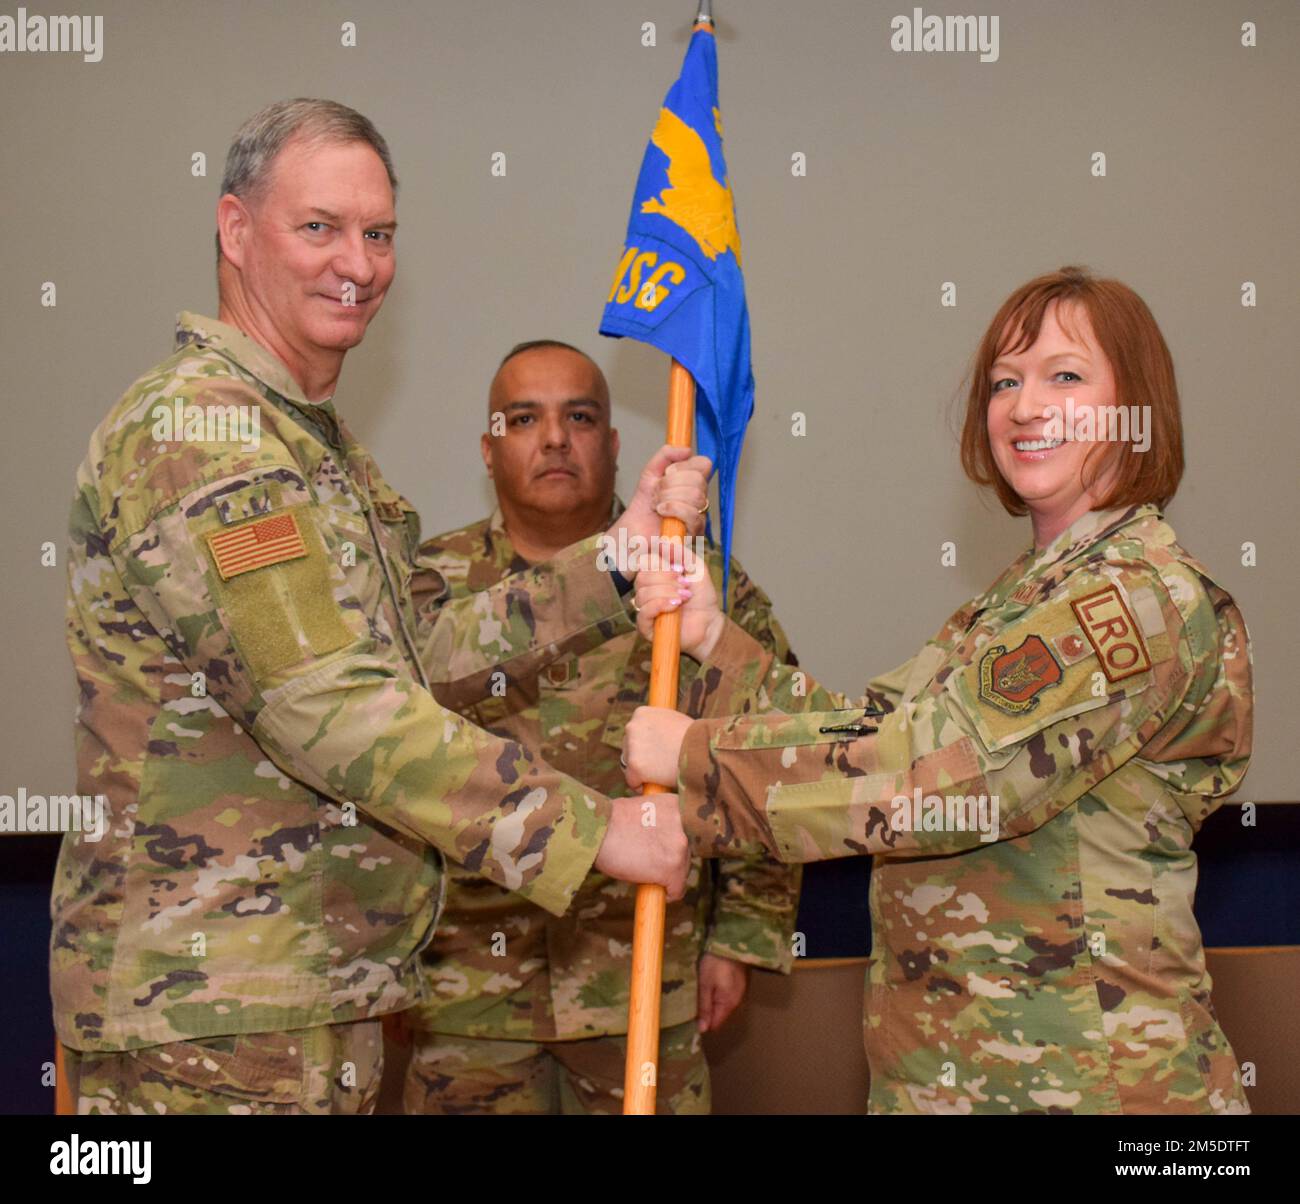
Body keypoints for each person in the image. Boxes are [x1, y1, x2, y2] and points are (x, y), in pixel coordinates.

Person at [54, 98, 702, 1115]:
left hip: (306, 1002)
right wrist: (584, 830)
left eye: (379, 233)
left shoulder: (315, 444)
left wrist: (610, 562)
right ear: (235, 231)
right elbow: (325, 701)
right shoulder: (204, 434)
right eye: (318, 227)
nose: (357, 262)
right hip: (213, 1020)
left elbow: (410, 652)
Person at [625, 266, 1254, 1115]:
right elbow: (877, 729)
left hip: (1095, 1093)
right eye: (1004, 381)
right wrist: (711, 640)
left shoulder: (1134, 598)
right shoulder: (1020, 598)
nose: (1024, 406)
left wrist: (694, 758)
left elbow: (935, 777)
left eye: (1064, 375)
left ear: (1136, 407)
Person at [397, 339, 801, 1114]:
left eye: (580, 417)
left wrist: (742, 936)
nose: (554, 438)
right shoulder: (429, 587)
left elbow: (764, 750)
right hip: (466, 993)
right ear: (489, 448)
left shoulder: (694, 578)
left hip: (645, 972)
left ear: (614, 447)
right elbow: (383, 762)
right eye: (524, 418)